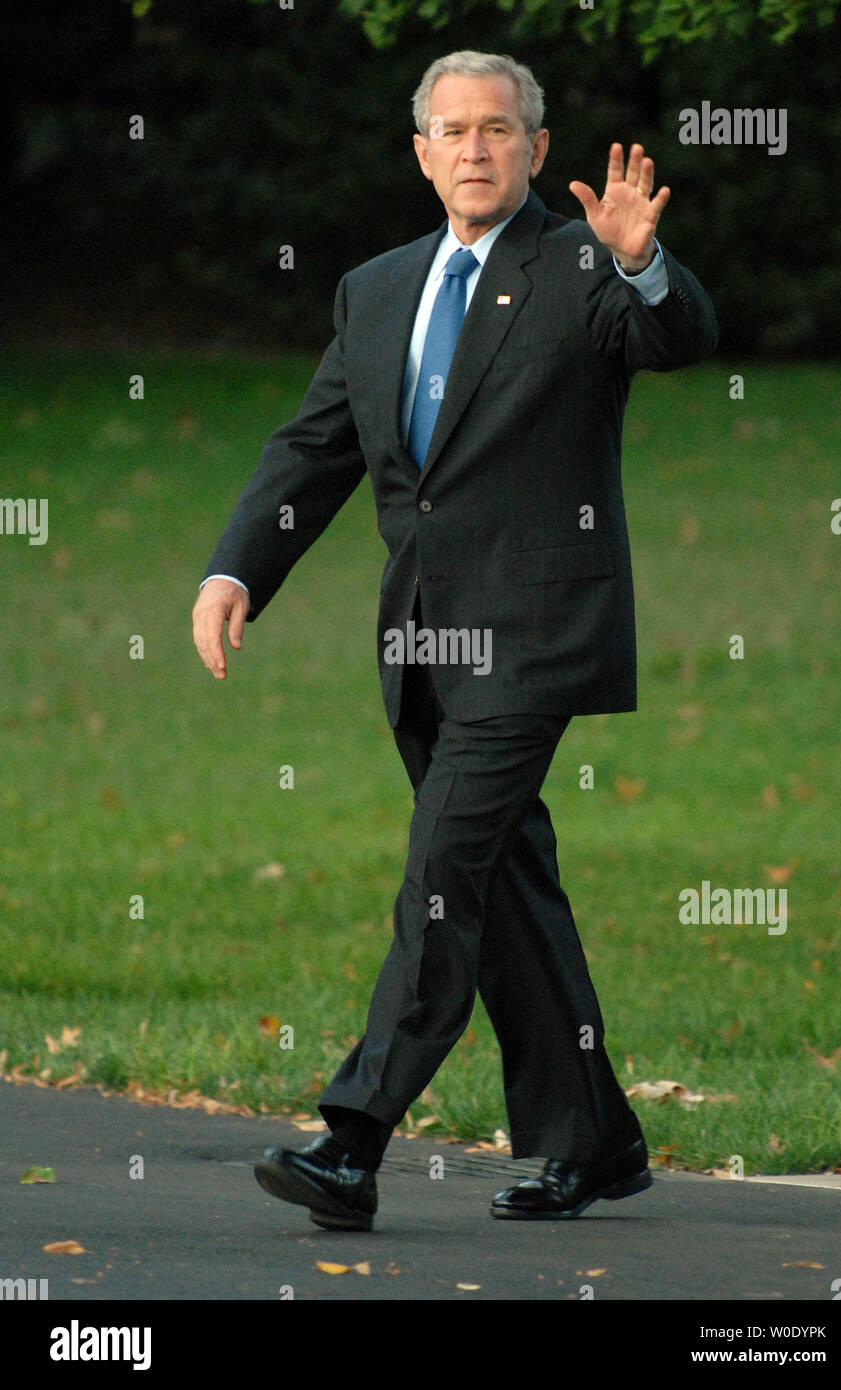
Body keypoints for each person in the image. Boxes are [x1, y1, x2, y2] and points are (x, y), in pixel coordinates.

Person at [192, 50, 718, 1231]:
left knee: (441, 877)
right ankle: (596, 1137)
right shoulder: (375, 289)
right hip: (424, 644)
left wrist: (641, 264)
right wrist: (236, 568)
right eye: (453, 130)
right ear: (422, 151)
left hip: (536, 635)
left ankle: (353, 1137)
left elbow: (677, 335)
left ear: (535, 146)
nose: (475, 149)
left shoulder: (584, 264)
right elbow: (315, 448)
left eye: (498, 129)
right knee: (505, 886)